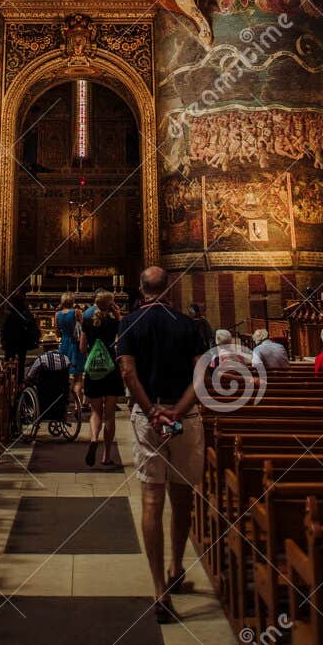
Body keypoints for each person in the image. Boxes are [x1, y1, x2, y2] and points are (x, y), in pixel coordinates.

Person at [116, 265, 207, 623]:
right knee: (182, 498)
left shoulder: (130, 322)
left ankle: (160, 590)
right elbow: (201, 376)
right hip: (186, 419)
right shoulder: (189, 324)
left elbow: (127, 372)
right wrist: (177, 413)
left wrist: (153, 411)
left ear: (140, 289)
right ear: (168, 289)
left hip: (149, 418)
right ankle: (176, 566)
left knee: (152, 501)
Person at [80, 290, 124, 469]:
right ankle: (106, 455)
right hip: (111, 369)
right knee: (110, 415)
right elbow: (124, 340)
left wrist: (93, 352)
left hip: (94, 371)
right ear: (111, 305)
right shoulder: (114, 323)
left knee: (96, 413)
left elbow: (82, 347)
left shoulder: (87, 321)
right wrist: (119, 316)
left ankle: (93, 439)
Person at [1, 288, 40, 386]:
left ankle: (8, 384)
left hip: (10, 344)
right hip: (22, 344)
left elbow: (4, 329)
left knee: (8, 364)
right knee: (21, 365)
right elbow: (32, 328)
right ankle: (19, 384)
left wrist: (3, 342)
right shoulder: (26, 313)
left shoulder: (9, 313)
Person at [55, 292, 85, 404]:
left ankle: (63, 401)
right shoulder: (76, 312)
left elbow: (57, 333)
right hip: (76, 344)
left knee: (63, 375)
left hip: (64, 345)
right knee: (78, 377)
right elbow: (84, 328)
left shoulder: (57, 314)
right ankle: (78, 406)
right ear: (73, 302)